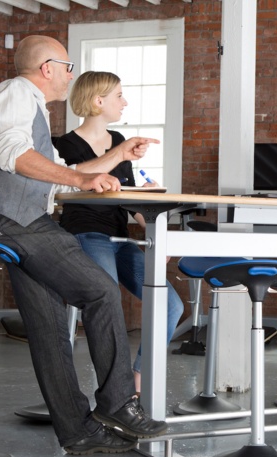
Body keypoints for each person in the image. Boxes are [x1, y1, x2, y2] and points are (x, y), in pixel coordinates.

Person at [0, 35, 167, 456]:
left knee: (51, 326)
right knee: (100, 290)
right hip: (12, 220)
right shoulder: (15, 92)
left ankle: (77, 431)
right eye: (68, 67)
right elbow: (12, 155)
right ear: (47, 68)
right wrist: (80, 180)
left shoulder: (31, 105)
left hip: (9, 220)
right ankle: (118, 405)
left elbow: (60, 167)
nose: (72, 75)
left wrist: (118, 154)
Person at [54, 71, 184, 395]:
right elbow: (68, 177)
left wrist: (150, 213)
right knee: (108, 303)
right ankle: (114, 391)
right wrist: (120, 153)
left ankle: (135, 384)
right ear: (99, 101)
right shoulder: (64, 146)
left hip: (120, 238)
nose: (125, 102)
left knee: (170, 304)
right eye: (119, 96)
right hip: (85, 235)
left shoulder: (118, 143)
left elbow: (128, 202)